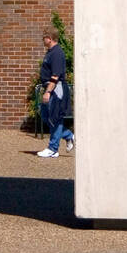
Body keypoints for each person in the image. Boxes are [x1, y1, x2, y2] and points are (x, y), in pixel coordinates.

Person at [37, 27, 74, 158]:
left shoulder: (57, 53)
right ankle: (69, 135)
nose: (43, 40)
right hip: (50, 87)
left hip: (55, 89)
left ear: (50, 38)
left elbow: (56, 75)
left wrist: (48, 92)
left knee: (55, 118)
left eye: (44, 38)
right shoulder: (50, 52)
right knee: (46, 116)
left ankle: (53, 148)